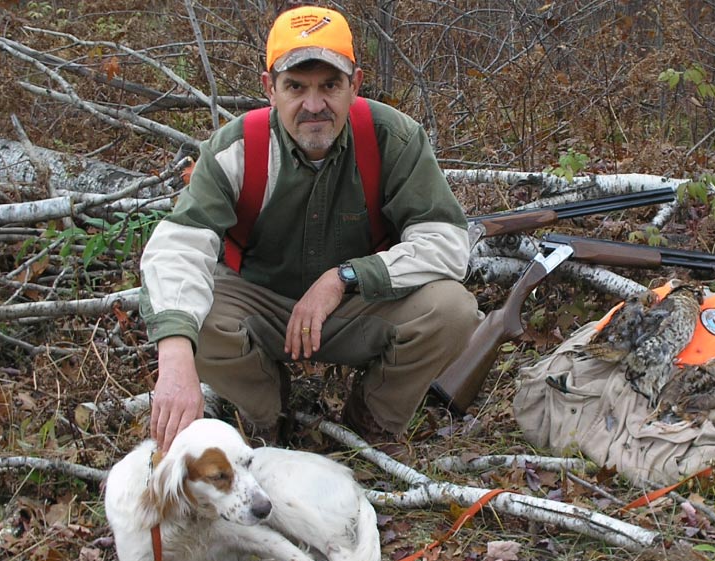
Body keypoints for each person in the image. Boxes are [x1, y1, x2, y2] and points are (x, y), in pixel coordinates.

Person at [139, 5, 481, 452]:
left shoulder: (392, 138)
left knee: (453, 309)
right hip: (260, 308)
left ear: (355, 85)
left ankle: (370, 426)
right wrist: (175, 358)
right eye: (296, 87)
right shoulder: (237, 149)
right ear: (270, 88)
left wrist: (346, 277)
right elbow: (177, 245)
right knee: (190, 321)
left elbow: (448, 242)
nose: (314, 105)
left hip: (356, 310)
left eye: (330, 86)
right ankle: (266, 421)